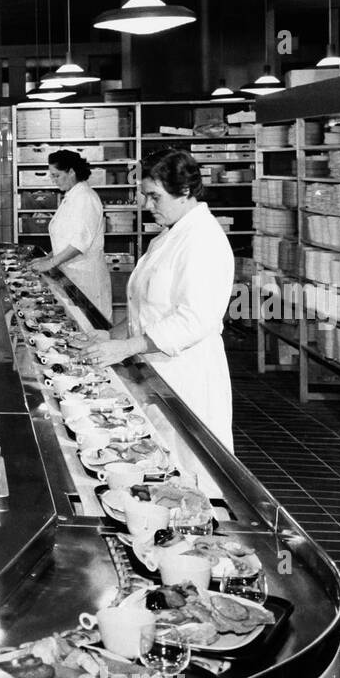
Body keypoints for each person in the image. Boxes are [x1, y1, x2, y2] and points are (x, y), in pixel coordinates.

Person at [83, 147, 235, 451]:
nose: (148, 205)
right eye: (146, 195)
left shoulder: (204, 241)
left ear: (185, 191)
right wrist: (109, 335)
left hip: (186, 375)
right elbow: (149, 307)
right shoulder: (170, 235)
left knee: (188, 468)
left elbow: (193, 320)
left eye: (155, 197)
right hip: (157, 370)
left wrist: (127, 347)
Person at [30, 149, 112, 318]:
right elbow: (66, 239)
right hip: (72, 275)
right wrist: (47, 257)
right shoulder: (72, 197)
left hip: (85, 278)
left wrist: (50, 263)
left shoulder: (85, 198)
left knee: (91, 329)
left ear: (72, 172)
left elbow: (79, 243)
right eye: (51, 176)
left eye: (57, 175)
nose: (53, 180)